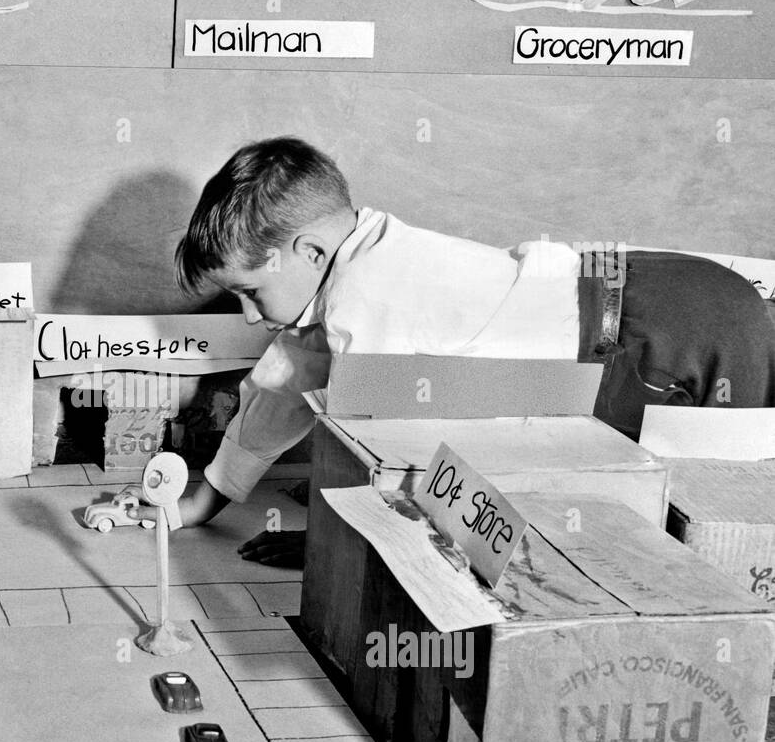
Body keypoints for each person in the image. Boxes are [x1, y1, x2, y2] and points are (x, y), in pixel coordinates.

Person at [86, 136, 775, 566]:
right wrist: (208, 496)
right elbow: (285, 385)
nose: (244, 315)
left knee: (713, 529)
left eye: (248, 291)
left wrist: (330, 544)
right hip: (656, 296)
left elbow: (380, 449)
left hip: (671, 333)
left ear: (311, 250)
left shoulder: (366, 292)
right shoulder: (346, 278)